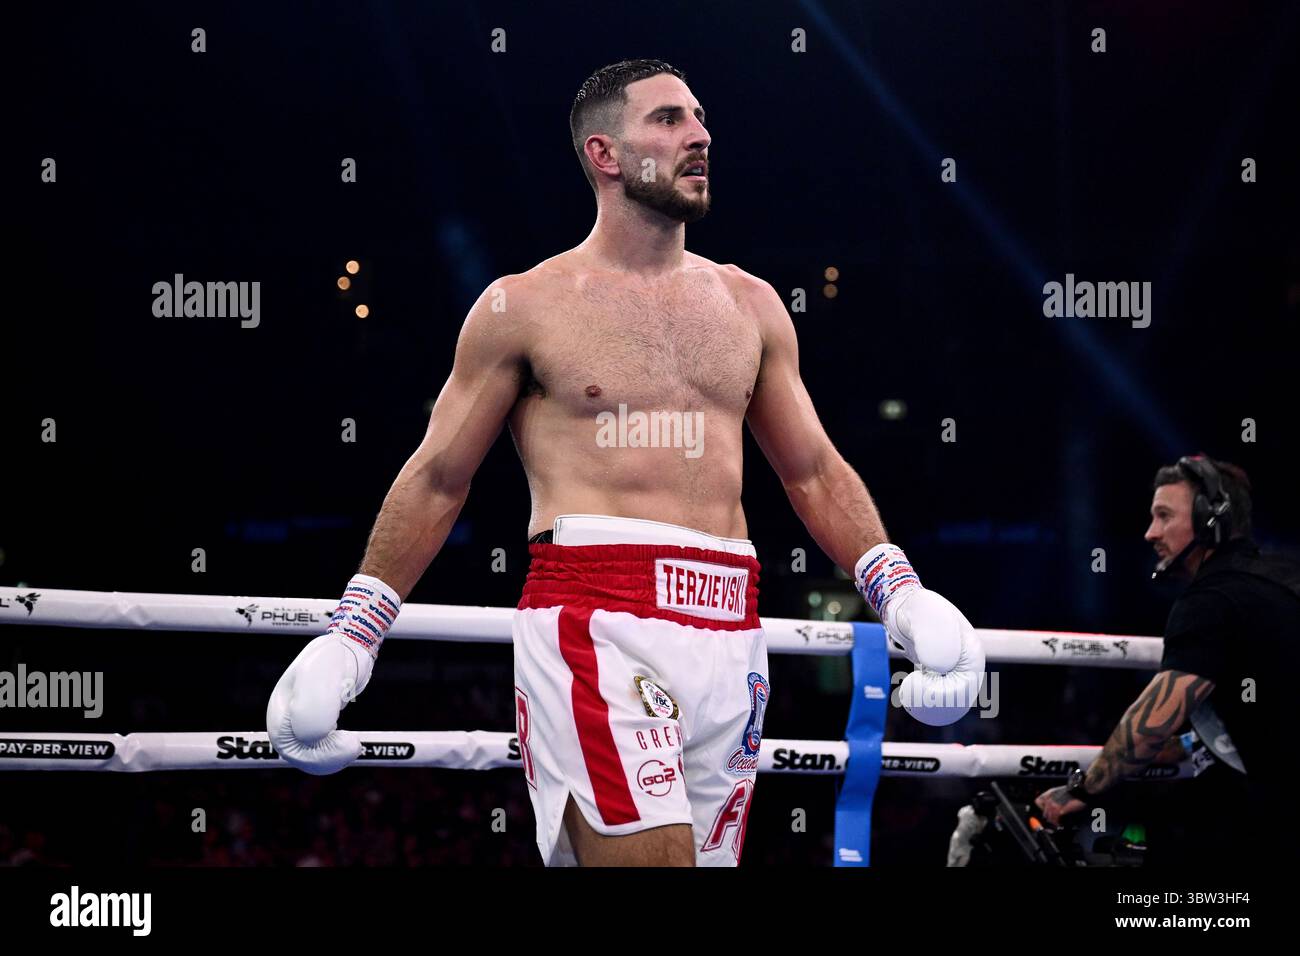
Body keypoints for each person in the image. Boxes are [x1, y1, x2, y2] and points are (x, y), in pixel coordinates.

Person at [267, 59, 984, 866]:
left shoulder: (750, 304)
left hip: (731, 631)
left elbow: (811, 470)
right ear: (605, 154)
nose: (701, 135)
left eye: (701, 117)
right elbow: (439, 475)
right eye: (670, 119)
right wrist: (355, 632)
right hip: (596, 620)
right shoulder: (525, 306)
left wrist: (900, 592)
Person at [1035, 456, 1300, 864]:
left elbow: (1150, 724)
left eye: (1163, 516)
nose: (1149, 533)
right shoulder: (1279, 578)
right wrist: (1191, 744)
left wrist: (1081, 790)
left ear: (1210, 520)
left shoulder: (1211, 600)